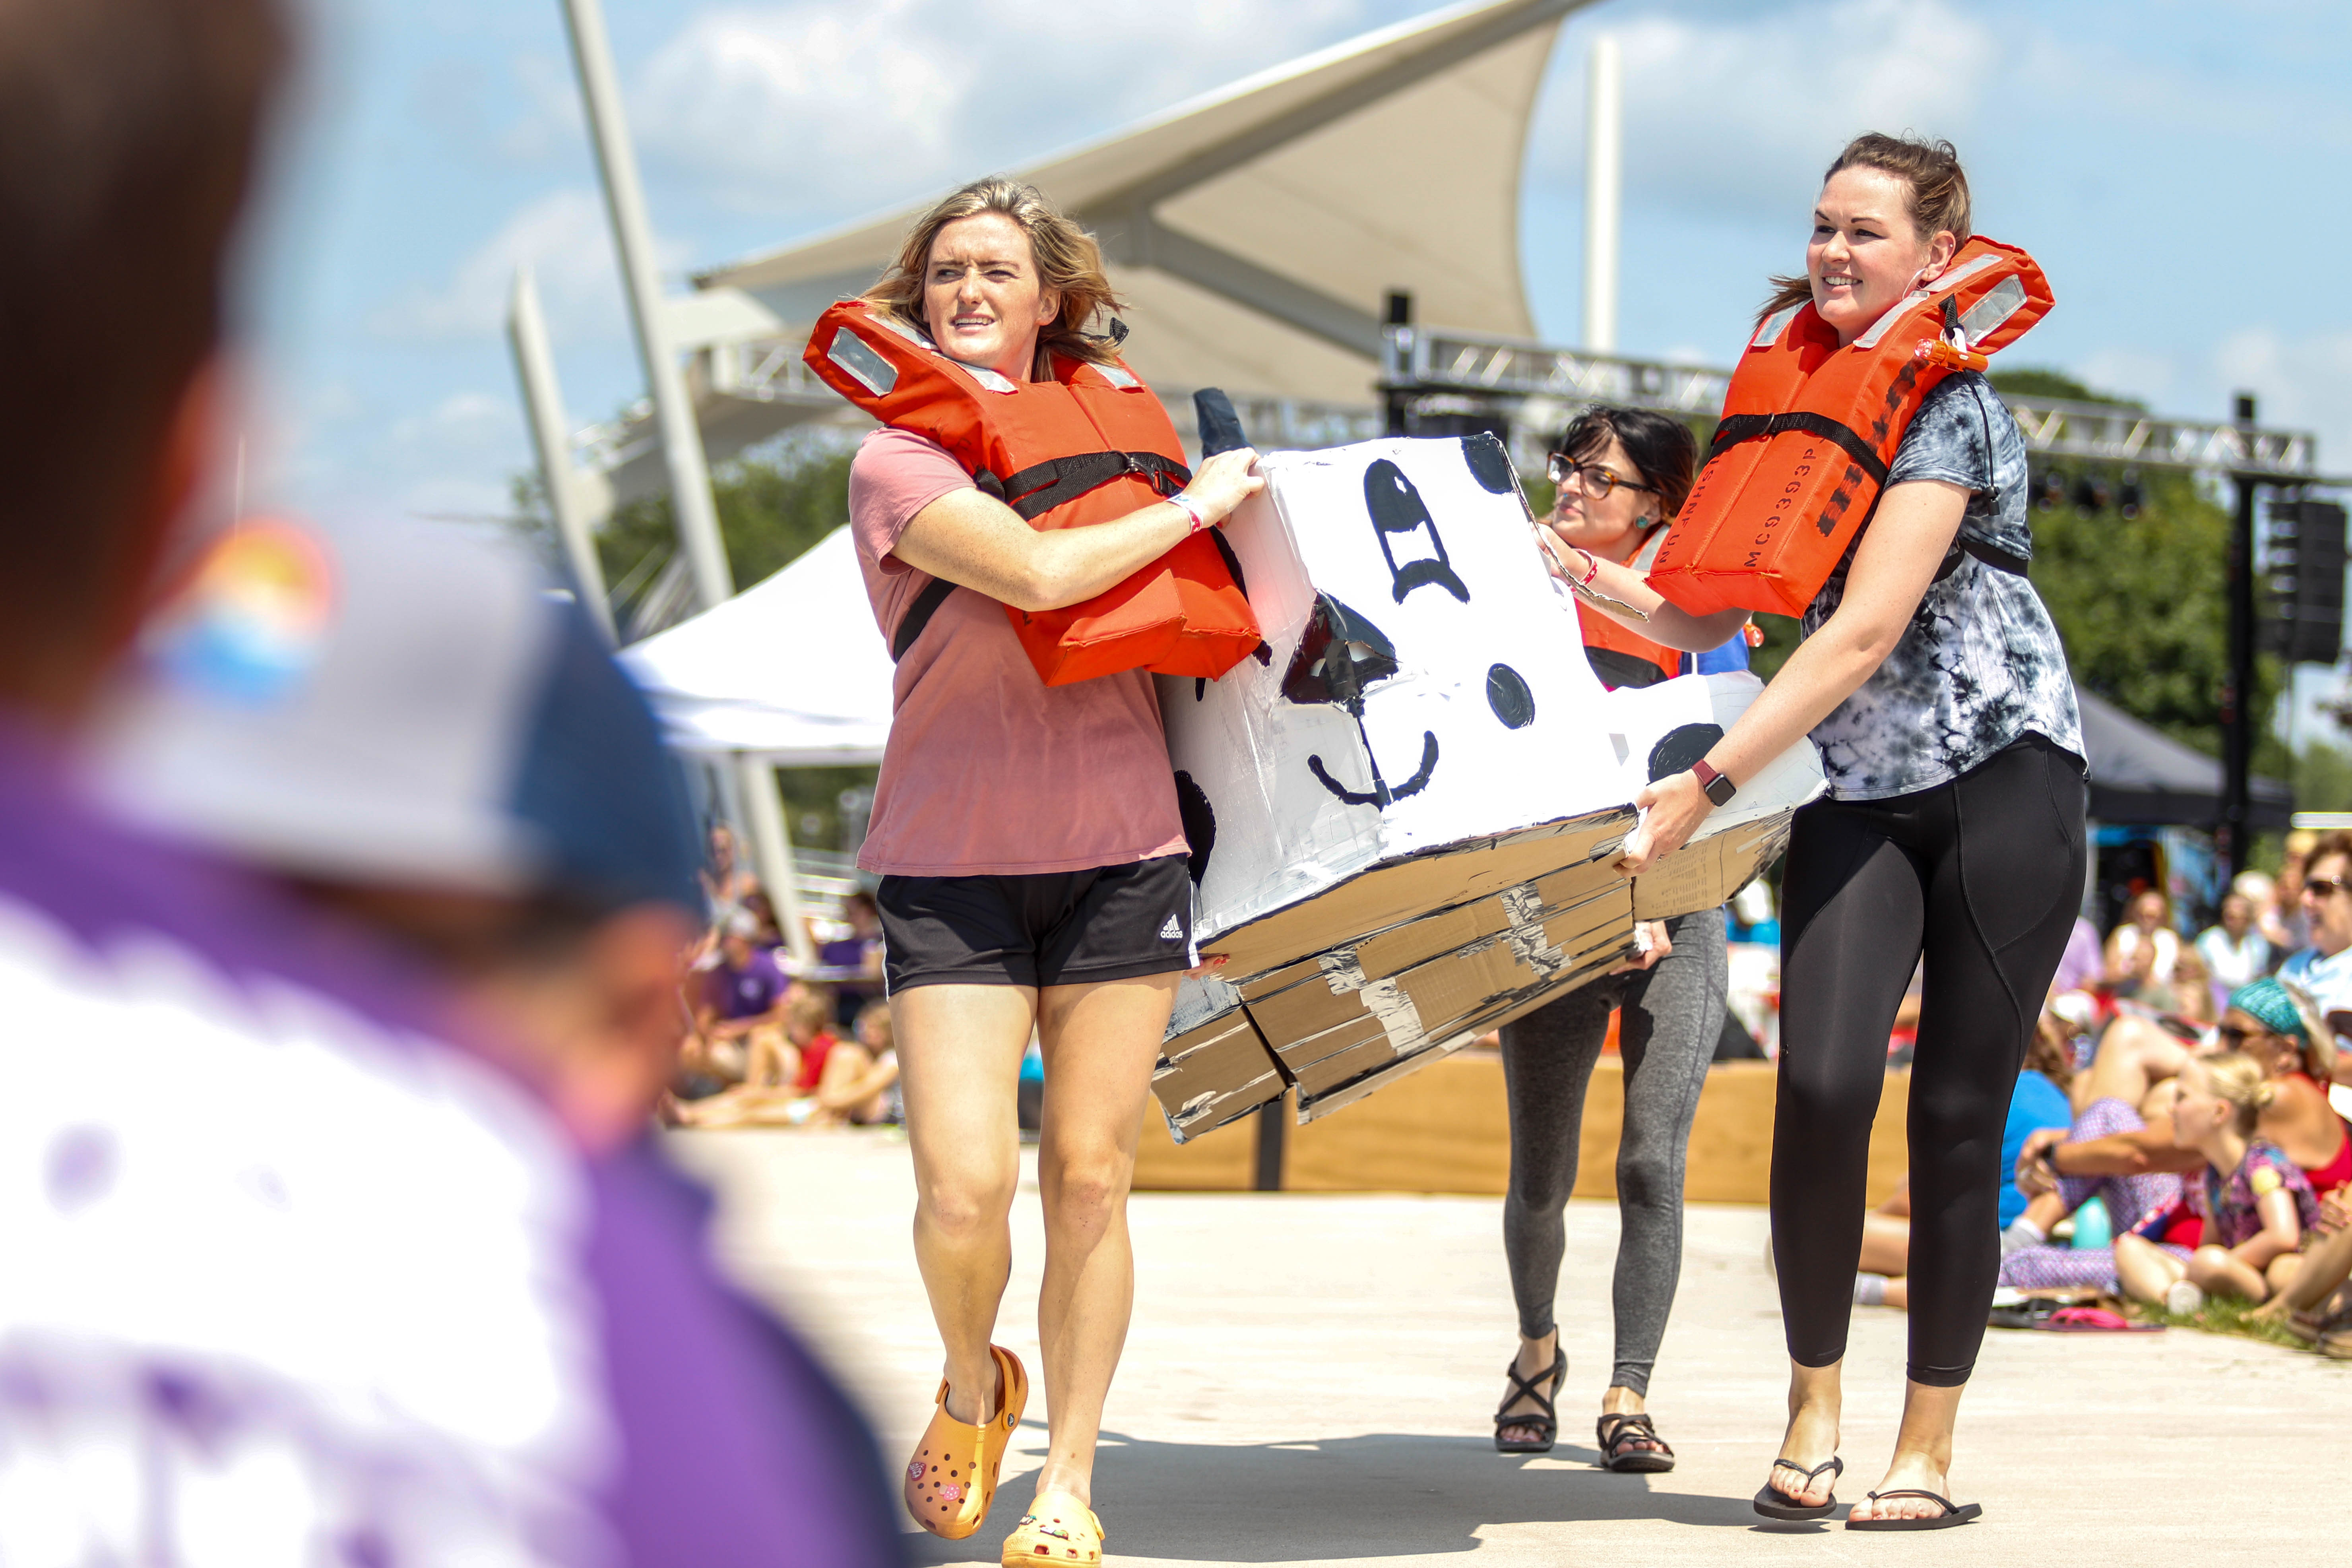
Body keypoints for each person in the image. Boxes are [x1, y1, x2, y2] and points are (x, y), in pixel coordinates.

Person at [1573, 134, 2086, 1527]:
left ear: (1935, 256)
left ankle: (1926, 1445)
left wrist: (1705, 782)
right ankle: (1811, 1412)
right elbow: (1696, 609)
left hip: (2002, 780)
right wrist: (1570, 568)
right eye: (1820, 226)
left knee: (1956, 1115)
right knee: (1817, 1093)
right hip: (1856, 791)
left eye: (1864, 231)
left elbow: (1859, 631)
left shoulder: (1949, 403)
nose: (1832, 253)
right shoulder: (1797, 398)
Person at [842, 176, 1262, 1565]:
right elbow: (1033, 573)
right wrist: (1197, 506)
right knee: (962, 1190)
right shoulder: (899, 463)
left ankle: (1068, 1478)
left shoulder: (1121, 444)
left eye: (994, 271)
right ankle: (975, 1381)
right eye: (945, 272)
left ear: (1050, 301)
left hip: (1120, 852)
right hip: (949, 860)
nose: (966, 291)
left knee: (1089, 1178)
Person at [1491, 407, 1740, 1471]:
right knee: (1540, 1173)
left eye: (1601, 477)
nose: (1572, 486)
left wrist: (1655, 894)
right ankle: (1535, 1347)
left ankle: (1628, 1389)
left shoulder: (1702, 615)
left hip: (1681, 906)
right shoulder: (1513, 592)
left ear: (1657, 506)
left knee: (1651, 1162)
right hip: (1554, 909)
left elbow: (1725, 763)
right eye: (1569, 466)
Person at [1852, 1018, 2076, 1310]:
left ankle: (1858, 1290)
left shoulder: (1988, 1097)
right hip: (2030, 1234)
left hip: (1984, 1242)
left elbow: (1920, 1198)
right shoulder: (2055, 1095)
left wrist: (1878, 1217)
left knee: (1819, 1238)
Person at [2112, 1053, 2321, 1311]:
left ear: (2220, 1112)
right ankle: (2173, 1301)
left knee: (2208, 1262)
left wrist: (2218, 1262)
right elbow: (2210, 1245)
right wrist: (2205, 1265)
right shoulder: (2214, 1173)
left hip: (2278, 1274)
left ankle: (2184, 1298)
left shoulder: (2262, 1164)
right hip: (2230, 1270)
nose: (2172, 1109)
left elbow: (2283, 1237)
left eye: (2182, 1097)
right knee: (2128, 1248)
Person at [2104, 888, 2181, 995]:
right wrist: (2132, 971)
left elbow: (2179, 975)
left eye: (2153, 916)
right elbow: (2107, 973)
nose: (2147, 920)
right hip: (2126, 993)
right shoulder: (2123, 935)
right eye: (2143, 915)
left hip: (2161, 995)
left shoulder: (2170, 939)